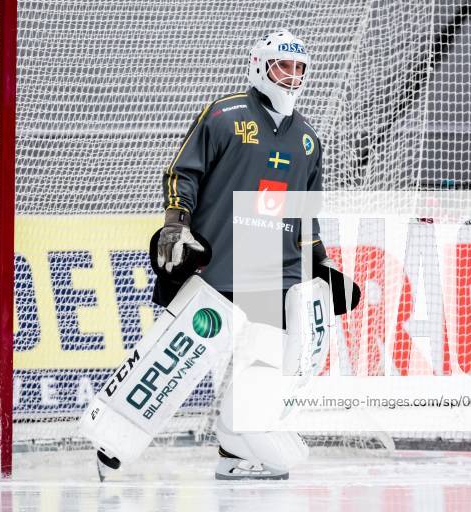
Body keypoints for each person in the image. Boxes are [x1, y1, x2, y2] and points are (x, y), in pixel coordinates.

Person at [151, 29, 356, 480]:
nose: (293, 76)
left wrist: (319, 264)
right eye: (285, 65)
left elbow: (306, 214)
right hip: (215, 261)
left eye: (300, 68)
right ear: (260, 65)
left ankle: (234, 454)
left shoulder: (307, 139)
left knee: (260, 367)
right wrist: (175, 222)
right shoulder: (224, 115)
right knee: (173, 362)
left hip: (269, 267)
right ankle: (117, 433)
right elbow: (182, 172)